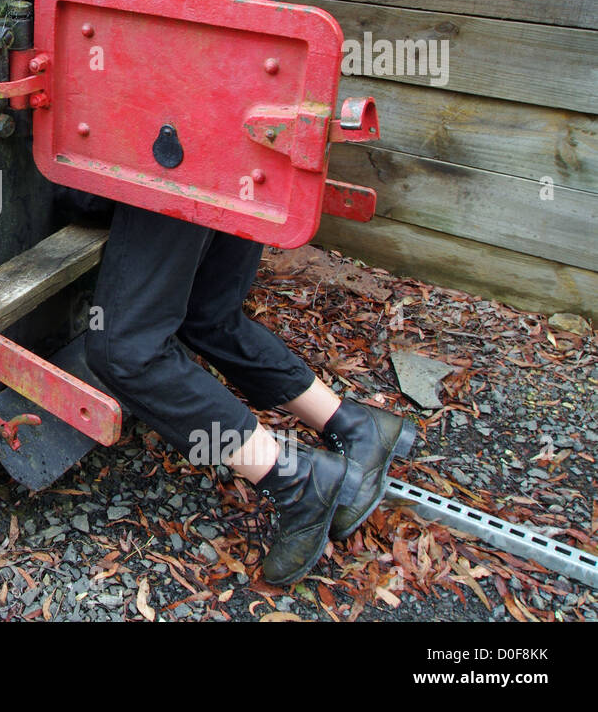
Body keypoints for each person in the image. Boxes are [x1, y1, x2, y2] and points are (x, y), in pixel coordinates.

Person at [84, 203, 416, 586]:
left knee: (125, 350)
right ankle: (354, 425)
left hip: (170, 158)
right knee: (209, 315)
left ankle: (298, 483)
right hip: (245, 165)